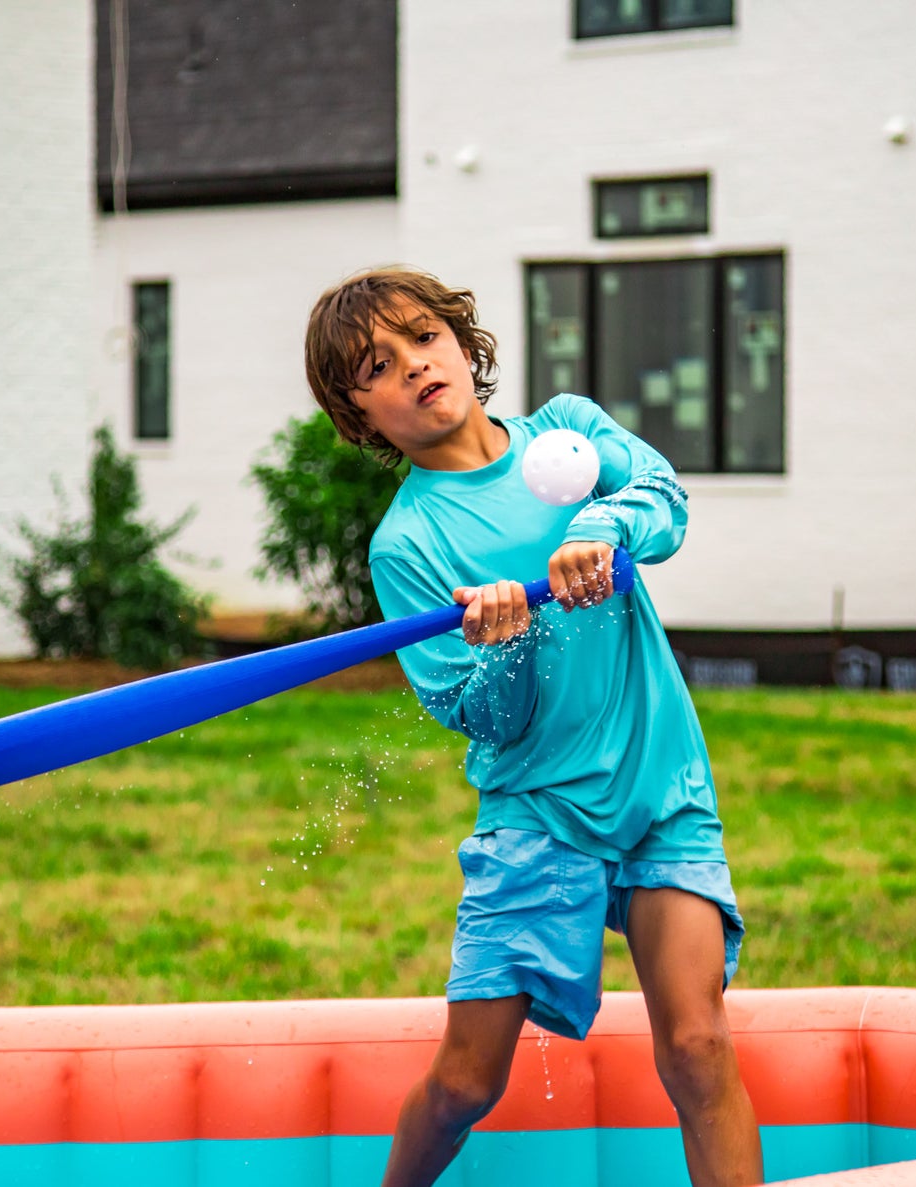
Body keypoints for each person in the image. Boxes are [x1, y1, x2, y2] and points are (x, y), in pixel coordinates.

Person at [304, 266, 763, 1187]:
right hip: (536, 816)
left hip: (655, 785)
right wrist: (505, 642)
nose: (415, 368)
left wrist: (599, 526)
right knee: (470, 1080)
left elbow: (664, 502)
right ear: (362, 417)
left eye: (422, 338)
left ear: (462, 342)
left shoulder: (570, 431)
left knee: (700, 1042)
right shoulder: (409, 545)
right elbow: (483, 716)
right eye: (378, 366)